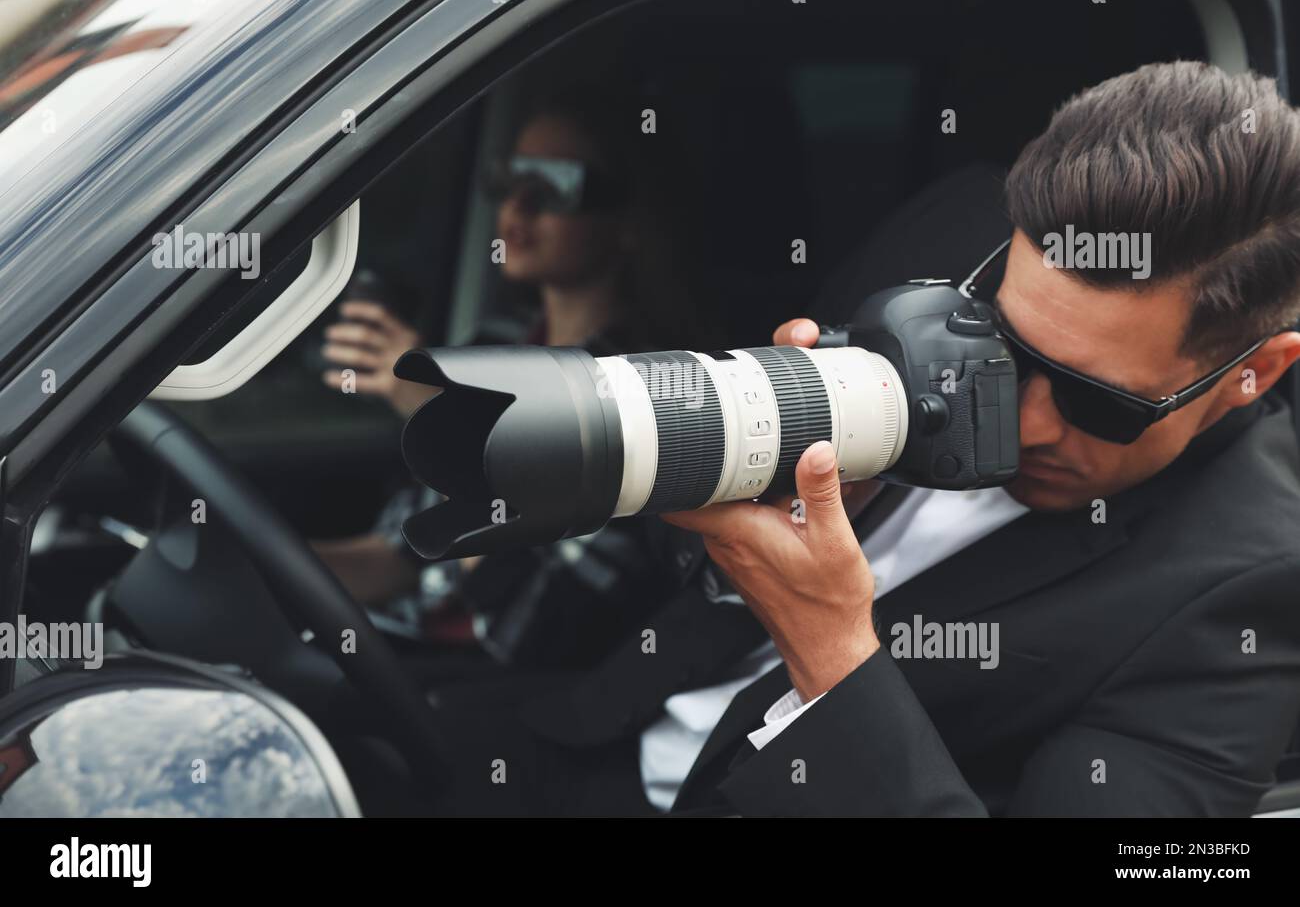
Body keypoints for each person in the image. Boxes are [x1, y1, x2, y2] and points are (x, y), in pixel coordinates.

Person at [417, 61, 1300, 816]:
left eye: (1101, 404)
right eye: (1005, 346)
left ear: (1254, 372)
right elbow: (678, 559)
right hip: (594, 729)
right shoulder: (955, 237)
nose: (1026, 421)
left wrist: (831, 648)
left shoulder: (1252, 587)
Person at [314, 87, 715, 670]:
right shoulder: (492, 348)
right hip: (415, 655)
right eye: (511, 177)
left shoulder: (651, 392)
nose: (518, 206)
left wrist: (450, 429)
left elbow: (551, 625)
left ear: (628, 222)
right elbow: (404, 554)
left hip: (506, 697)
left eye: (555, 184)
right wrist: (266, 567)